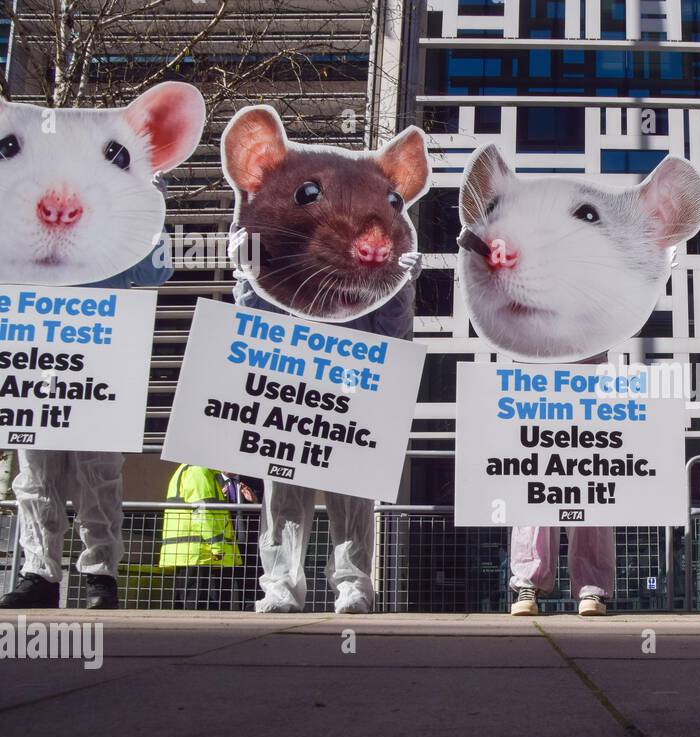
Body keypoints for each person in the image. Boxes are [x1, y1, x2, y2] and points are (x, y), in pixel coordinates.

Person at [230, 228, 417, 614]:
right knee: (282, 498)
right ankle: (280, 585)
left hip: (348, 404)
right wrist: (246, 275)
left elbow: (391, 332)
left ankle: (353, 585)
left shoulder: (363, 277)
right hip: (291, 399)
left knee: (352, 502)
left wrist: (400, 287)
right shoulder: (288, 274)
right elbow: (254, 319)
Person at [0, 241, 174, 610]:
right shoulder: (26, 218)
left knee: (99, 477)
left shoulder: (113, 227)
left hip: (98, 365)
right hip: (34, 357)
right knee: (35, 478)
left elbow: (156, 271)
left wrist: (151, 210)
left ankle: (101, 574)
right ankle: (39, 573)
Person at [510, 355, 616, 618]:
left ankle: (590, 585)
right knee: (535, 479)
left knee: (588, 481)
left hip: (584, 367)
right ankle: (530, 581)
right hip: (535, 365)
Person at [159, 464, 242, 610]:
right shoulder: (199, 472)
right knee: (194, 604)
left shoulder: (189, 470)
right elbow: (203, 514)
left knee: (188, 601)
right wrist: (217, 546)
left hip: (191, 549)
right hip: (199, 549)